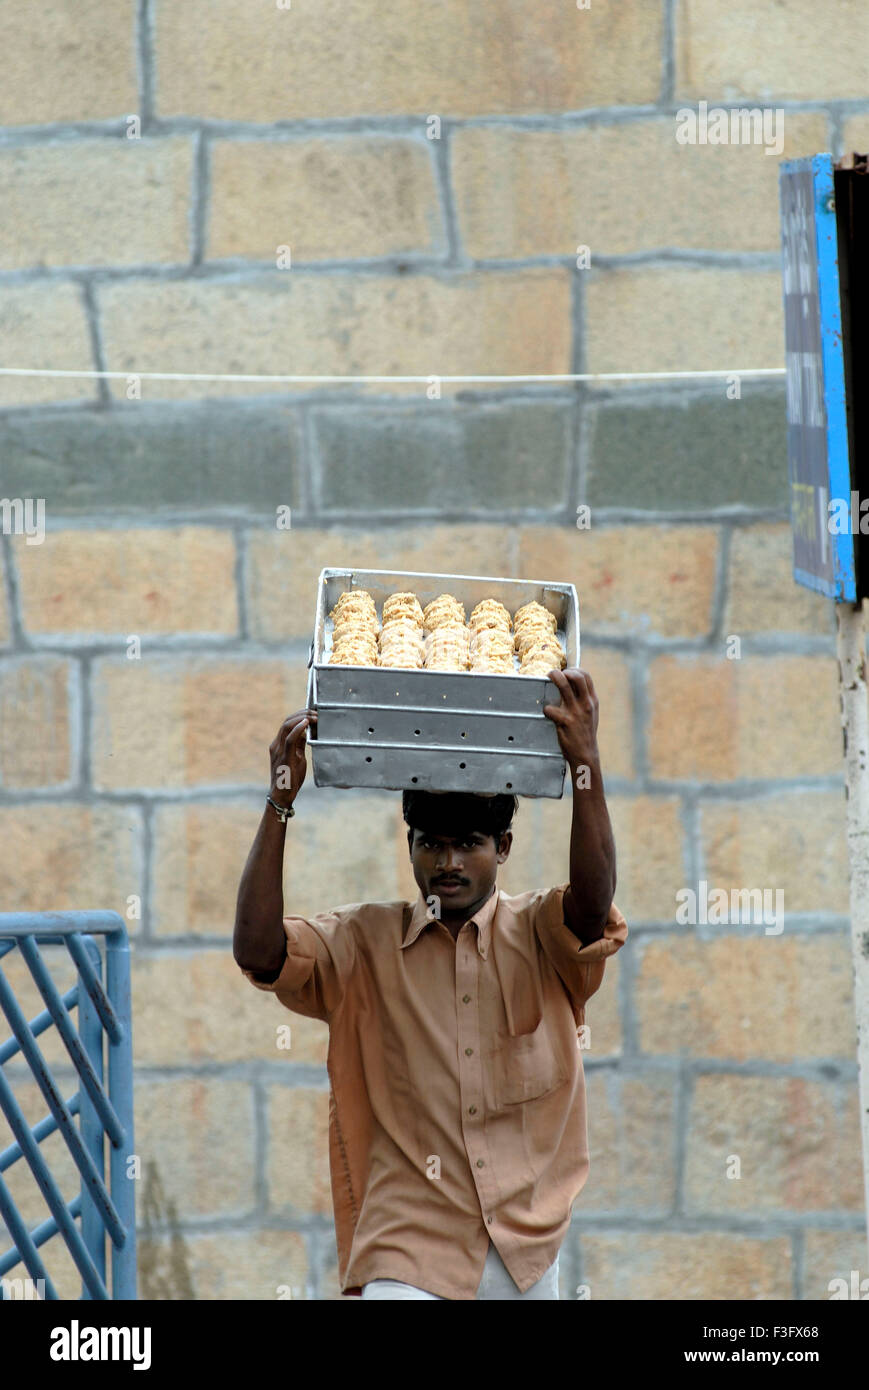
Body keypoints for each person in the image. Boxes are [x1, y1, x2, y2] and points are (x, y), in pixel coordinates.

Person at [233, 667, 627, 1300]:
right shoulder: (363, 943)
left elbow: (591, 906)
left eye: (467, 843)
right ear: (409, 846)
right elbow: (257, 950)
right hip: (406, 1251)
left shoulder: (543, 934)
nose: (447, 864)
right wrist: (281, 801)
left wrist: (586, 763)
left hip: (525, 1255)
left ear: (501, 846)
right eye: (430, 845)